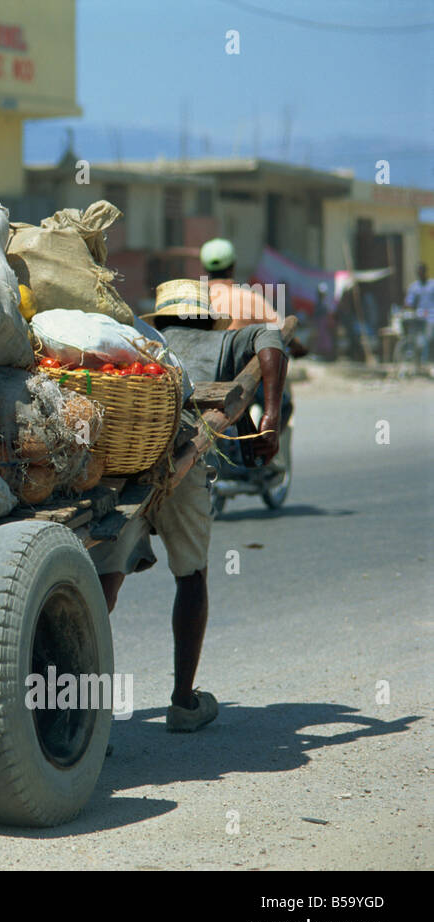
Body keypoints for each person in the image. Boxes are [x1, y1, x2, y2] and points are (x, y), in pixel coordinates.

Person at [99, 279, 286, 733]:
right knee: (191, 575)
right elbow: (272, 338)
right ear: (206, 317)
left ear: (162, 316)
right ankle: (183, 702)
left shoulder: (143, 339)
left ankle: (88, 715)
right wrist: (272, 415)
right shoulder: (224, 340)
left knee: (107, 578)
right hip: (183, 456)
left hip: (125, 455)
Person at [201, 237, 309, 359]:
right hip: (238, 372)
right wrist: (299, 347)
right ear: (233, 266)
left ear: (205, 269)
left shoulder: (194, 299)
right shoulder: (250, 298)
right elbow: (281, 330)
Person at [404, 262, 434, 365]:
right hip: (419, 317)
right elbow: (409, 302)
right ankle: (416, 361)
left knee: (428, 338)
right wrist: (408, 305)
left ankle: (426, 361)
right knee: (416, 339)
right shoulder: (414, 287)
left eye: (422, 272)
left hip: (431, 317)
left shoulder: (432, 285)